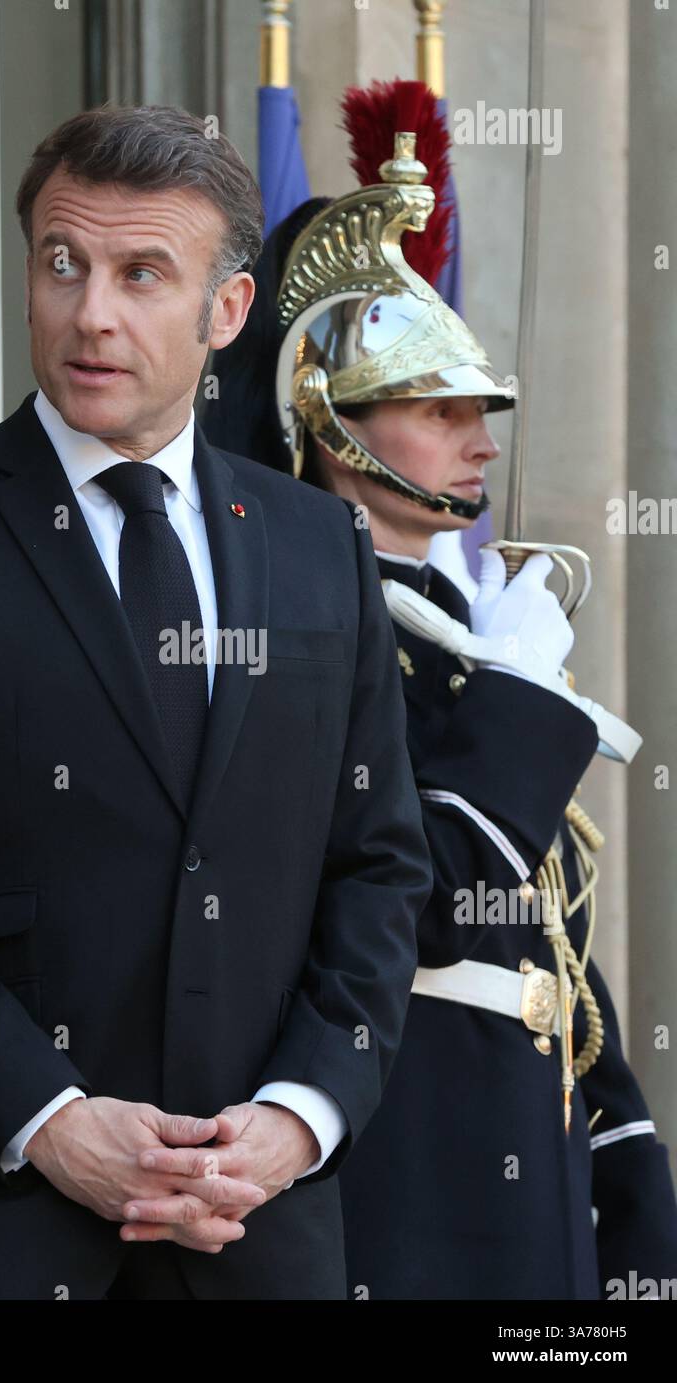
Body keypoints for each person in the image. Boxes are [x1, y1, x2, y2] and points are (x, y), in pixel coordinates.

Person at [0, 103, 433, 1301]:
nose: (92, 313)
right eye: (63, 265)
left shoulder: (318, 540)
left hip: (259, 1233)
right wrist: (50, 1115)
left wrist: (298, 1115)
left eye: (143, 274)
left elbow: (379, 861)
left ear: (226, 312)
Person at [203, 126, 677, 1299]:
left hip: (535, 1160)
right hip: (408, 1161)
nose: (480, 441)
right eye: (434, 406)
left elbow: (547, 949)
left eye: (482, 406)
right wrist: (515, 703)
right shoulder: (298, 638)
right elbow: (423, 892)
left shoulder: (461, 640)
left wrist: (629, 1178)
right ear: (327, 423)